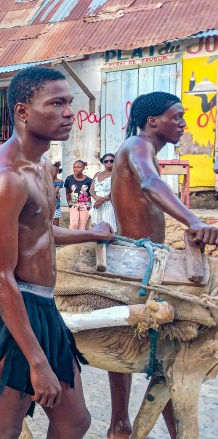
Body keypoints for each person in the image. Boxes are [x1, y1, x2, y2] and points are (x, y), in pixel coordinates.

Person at [0, 66, 114, 437]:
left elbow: (39, 231)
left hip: (42, 305)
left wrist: (91, 233)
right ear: (23, 112)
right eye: (56, 103)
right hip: (8, 308)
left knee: (75, 421)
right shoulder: (6, 176)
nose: (68, 113)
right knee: (5, 427)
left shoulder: (42, 167)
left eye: (69, 103)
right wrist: (37, 361)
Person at [107, 91, 218, 439]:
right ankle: (120, 423)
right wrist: (193, 220)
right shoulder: (138, 146)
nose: (184, 124)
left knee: (169, 352)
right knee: (166, 337)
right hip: (136, 258)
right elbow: (151, 184)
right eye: (178, 116)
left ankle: (130, 424)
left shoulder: (143, 150)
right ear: (153, 121)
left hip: (150, 254)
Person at [90, 153, 117, 232]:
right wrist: (97, 199)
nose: (109, 163)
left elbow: (114, 191)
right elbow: (91, 190)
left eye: (111, 161)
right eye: (106, 161)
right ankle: (98, 243)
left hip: (108, 203)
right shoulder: (97, 174)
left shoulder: (117, 174)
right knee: (96, 225)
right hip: (96, 203)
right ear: (103, 162)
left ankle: (109, 243)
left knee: (108, 225)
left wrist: (101, 200)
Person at [64, 160, 93, 230]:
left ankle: (79, 240)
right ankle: (71, 240)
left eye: (78, 167)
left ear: (83, 168)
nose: (76, 169)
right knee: (74, 224)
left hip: (85, 204)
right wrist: (69, 203)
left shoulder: (89, 180)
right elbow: (67, 191)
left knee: (81, 225)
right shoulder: (69, 179)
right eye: (74, 167)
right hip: (73, 203)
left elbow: (90, 193)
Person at [52, 161, 64, 227]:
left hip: (55, 206)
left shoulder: (59, 182)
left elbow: (53, 192)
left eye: (53, 171)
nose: (51, 173)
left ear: (57, 172)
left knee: (55, 225)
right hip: (46, 206)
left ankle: (55, 237)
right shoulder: (45, 181)